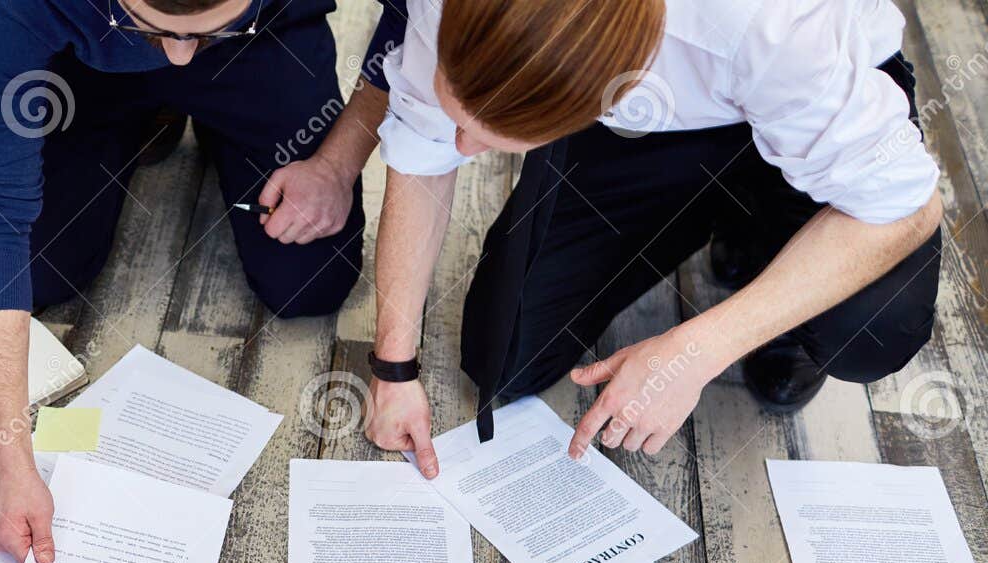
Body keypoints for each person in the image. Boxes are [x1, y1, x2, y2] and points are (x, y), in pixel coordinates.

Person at [364, 0, 943, 474]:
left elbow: (909, 210)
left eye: (488, 136)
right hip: (657, 126)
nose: (460, 147)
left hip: (808, 99)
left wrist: (700, 348)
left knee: (872, 325)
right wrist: (394, 367)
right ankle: (708, 211)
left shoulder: (774, 26)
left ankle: (770, 246)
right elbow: (423, 151)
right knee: (510, 357)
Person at [0, 0, 406, 563]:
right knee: (40, 271)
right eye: (152, 26)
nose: (180, 54)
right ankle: (148, 114)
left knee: (310, 281)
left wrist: (337, 164)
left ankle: (224, 122)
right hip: (85, 68)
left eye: (205, 30)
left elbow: (413, 19)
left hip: (262, 50)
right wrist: (14, 464)